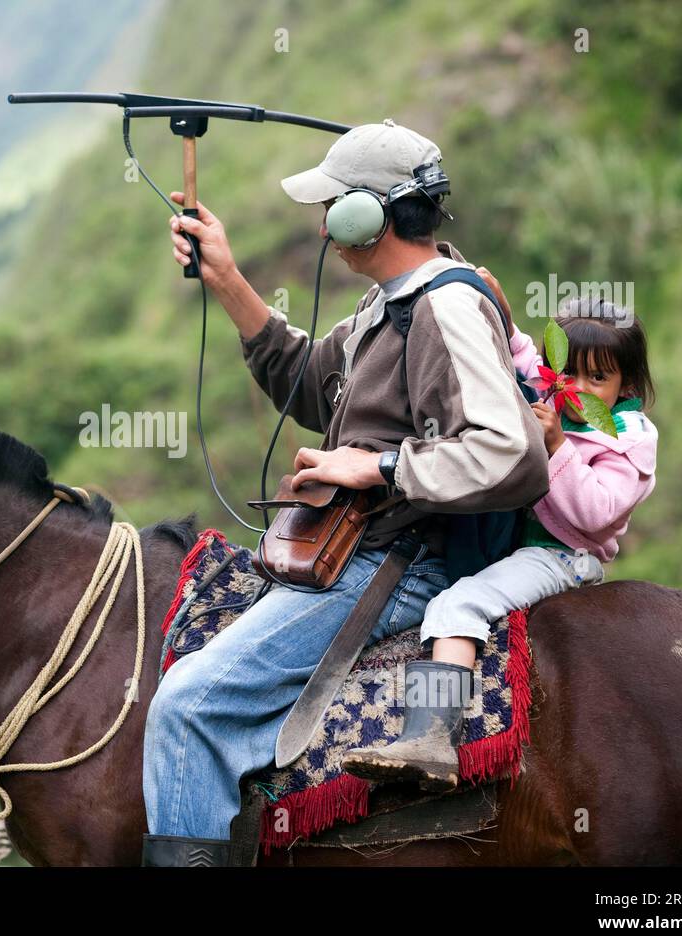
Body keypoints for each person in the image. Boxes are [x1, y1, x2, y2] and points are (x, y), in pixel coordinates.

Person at [140, 120, 550, 866]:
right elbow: (305, 380)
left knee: (186, 708)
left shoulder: (442, 307)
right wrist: (227, 278)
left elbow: (513, 454)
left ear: (370, 215)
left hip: (401, 561)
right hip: (364, 549)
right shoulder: (387, 305)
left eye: (334, 208)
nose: (325, 226)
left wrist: (379, 468)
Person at [341, 292, 658, 790]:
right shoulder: (557, 394)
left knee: (457, 604)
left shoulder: (629, 438)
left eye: (598, 378)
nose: (577, 387)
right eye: (568, 373)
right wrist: (501, 315)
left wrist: (556, 448)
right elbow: (528, 359)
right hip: (525, 542)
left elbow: (596, 514)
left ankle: (430, 741)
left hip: (563, 555)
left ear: (628, 385)